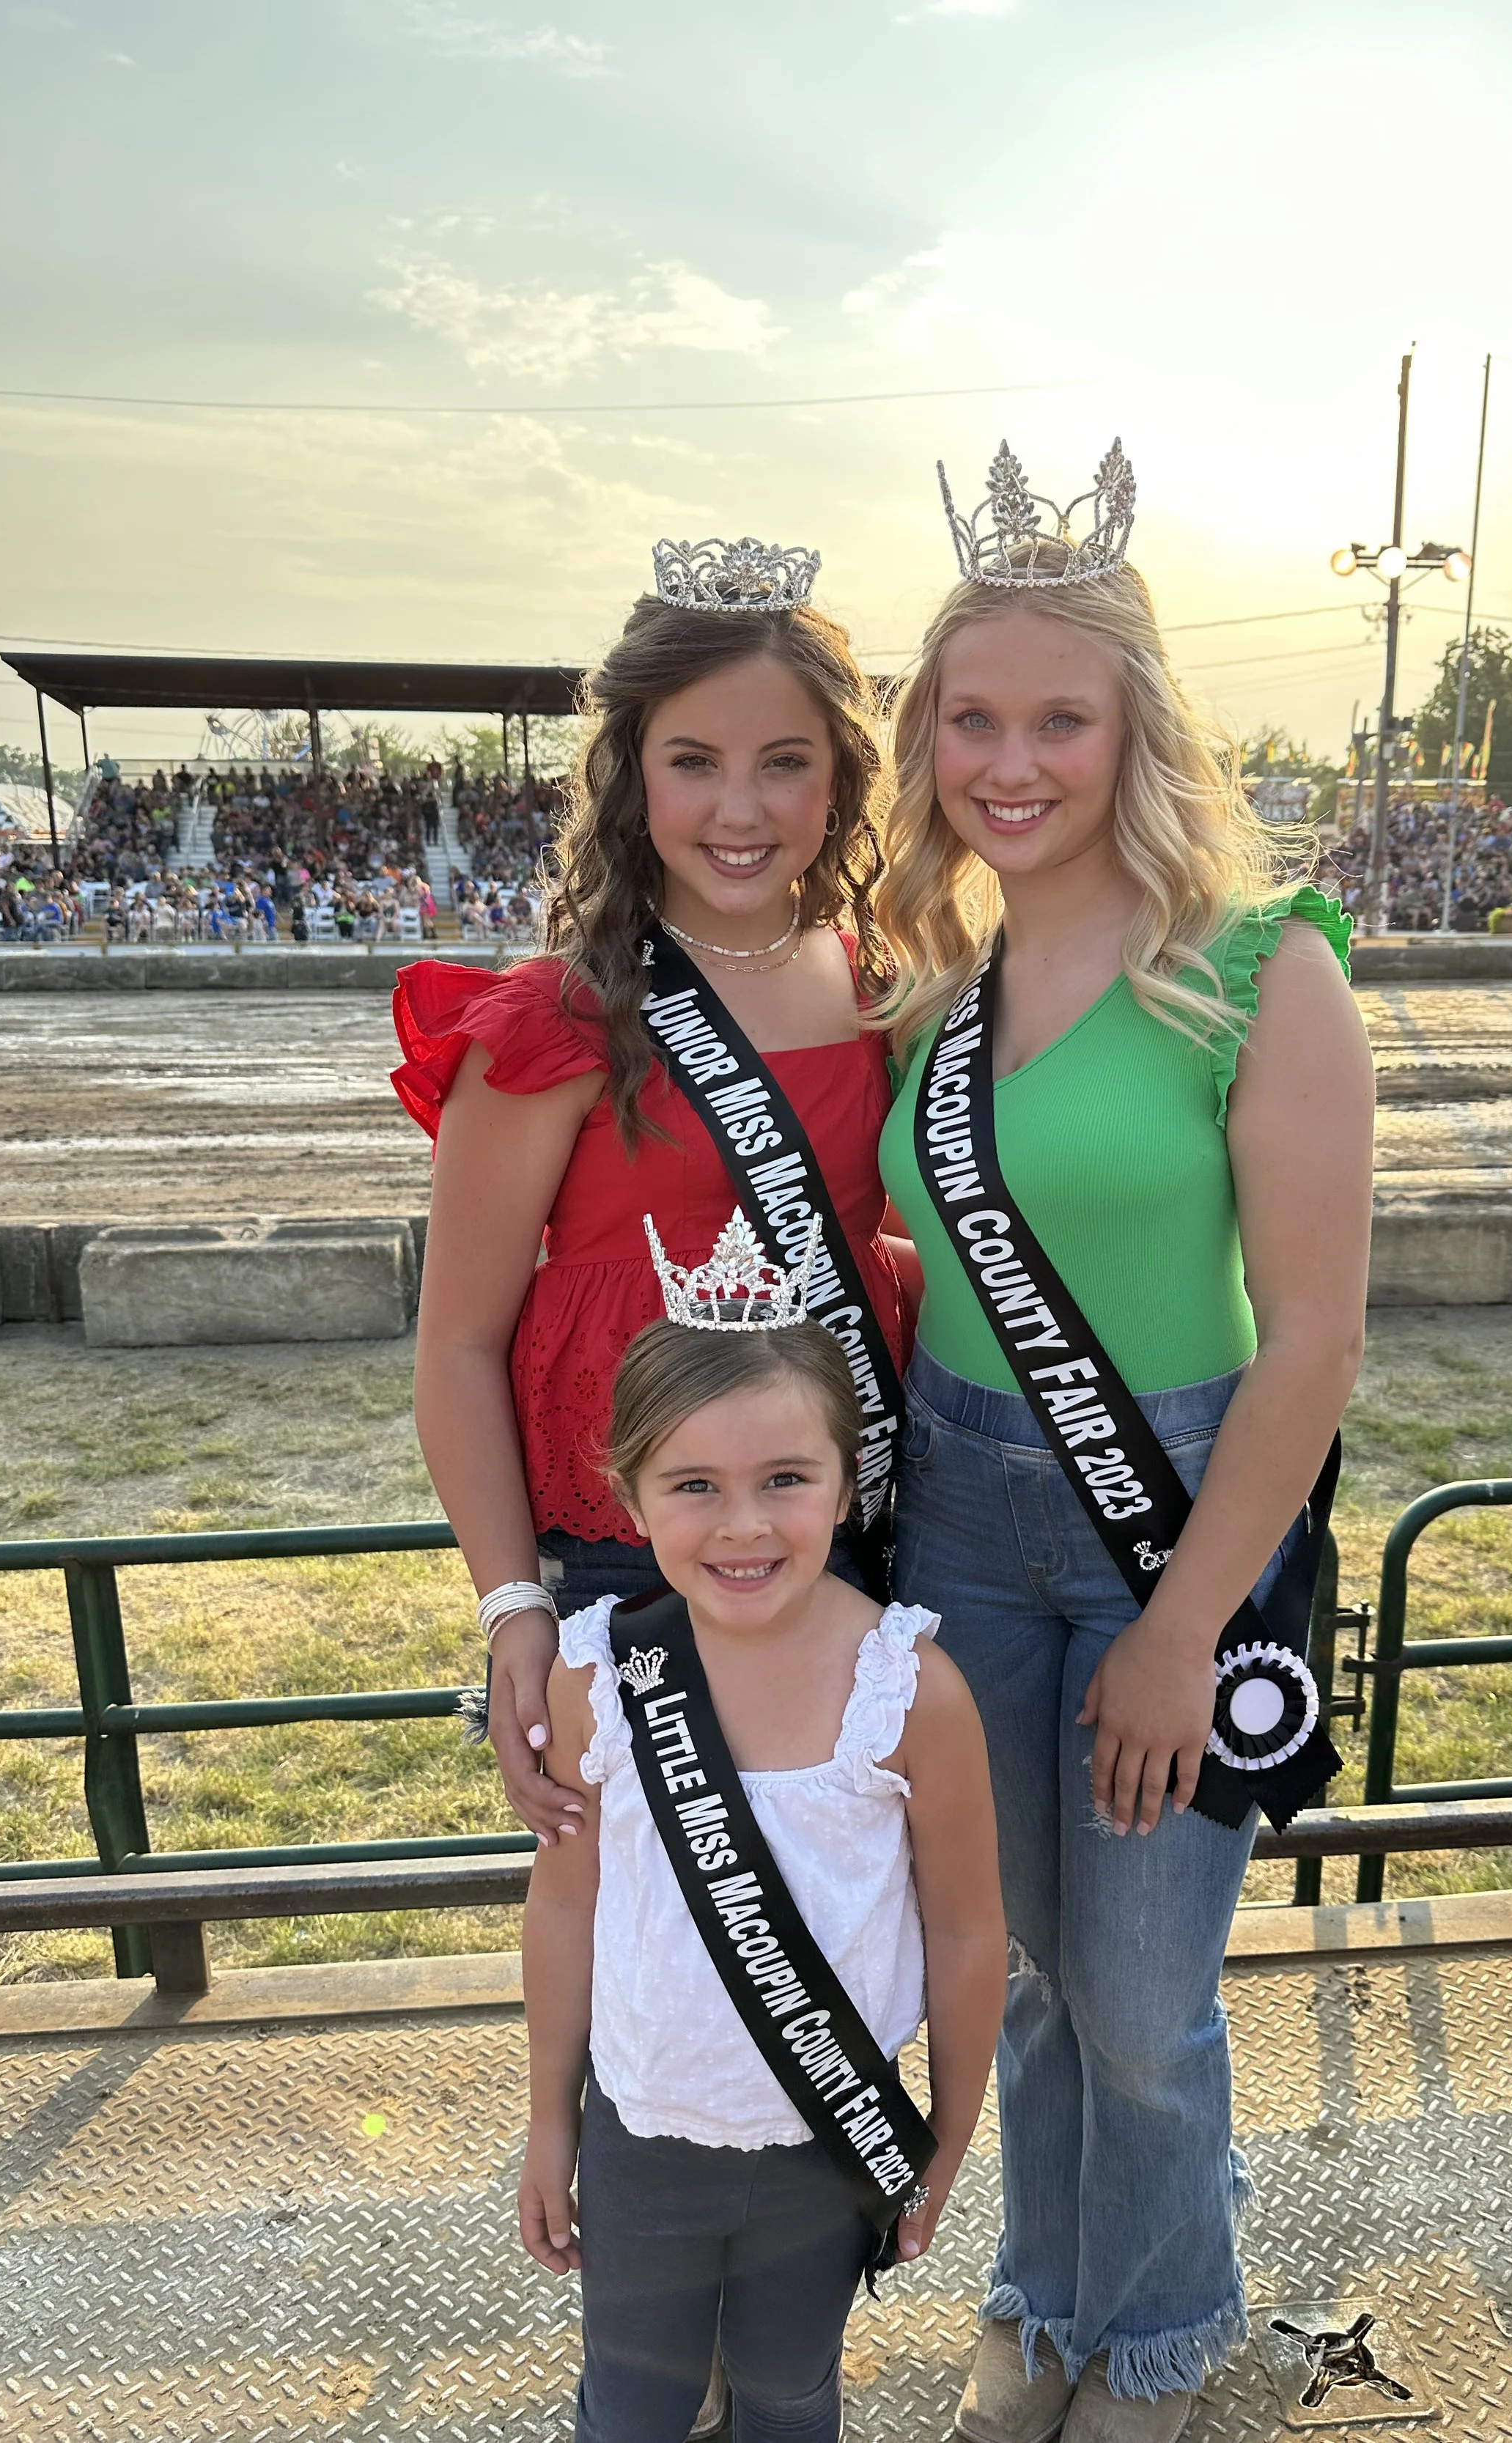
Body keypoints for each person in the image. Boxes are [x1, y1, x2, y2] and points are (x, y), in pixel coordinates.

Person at [872, 444, 1375, 2441]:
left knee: (1151, 2002)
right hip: (956, 1524)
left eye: (1056, 718)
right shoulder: (932, 984)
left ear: (1132, 728)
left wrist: (1182, 1623)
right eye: (970, 718)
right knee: (1016, 1975)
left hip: (1179, 1519)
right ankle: (1047, 2298)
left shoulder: (1266, 969)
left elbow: (1317, 1337)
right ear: (925, 740)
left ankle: (1167, 2337)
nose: (1011, 759)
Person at [391, 534, 911, 1860]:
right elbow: (455, 1341)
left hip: (863, 1515)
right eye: (695, 763)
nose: (741, 808)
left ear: (841, 774)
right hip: (635, 1544)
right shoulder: (561, 1020)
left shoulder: (895, 987)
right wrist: (512, 1603)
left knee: (844, 1919)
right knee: (654, 1934)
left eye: (784, 761)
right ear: (630, 775)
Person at [517, 1250, 1005, 2443]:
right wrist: (546, 2120)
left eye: (786, 1478)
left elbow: (965, 1926)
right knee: (633, 2403)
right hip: (641, 2132)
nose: (744, 1525)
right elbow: (567, 1898)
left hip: (824, 2145)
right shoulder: (600, 1675)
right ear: (627, 1499)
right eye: (694, 1486)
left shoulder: (911, 1690)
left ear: (849, 1486)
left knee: (790, 2396)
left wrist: (945, 2138)